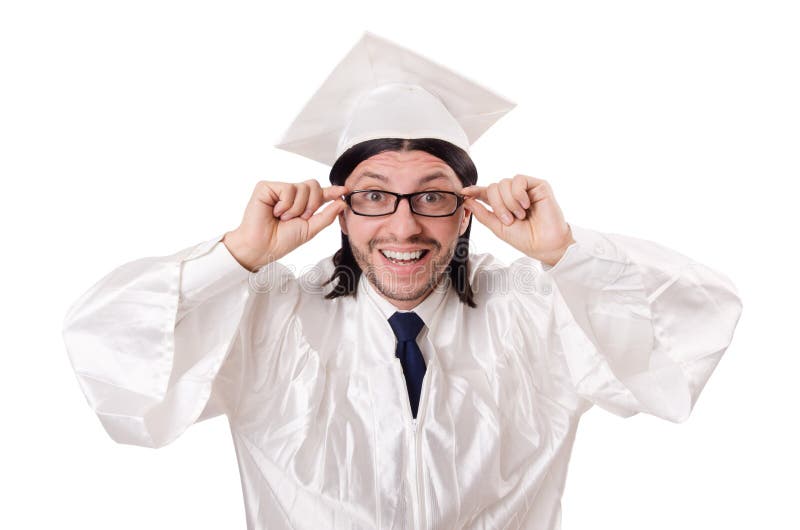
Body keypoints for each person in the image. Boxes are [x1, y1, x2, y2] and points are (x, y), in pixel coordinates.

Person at [62, 32, 742, 530]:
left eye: (434, 196)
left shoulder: (537, 313)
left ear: (469, 210)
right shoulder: (269, 319)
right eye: (374, 196)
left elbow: (691, 329)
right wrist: (237, 255)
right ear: (339, 209)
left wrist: (566, 254)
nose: (405, 226)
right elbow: (112, 355)